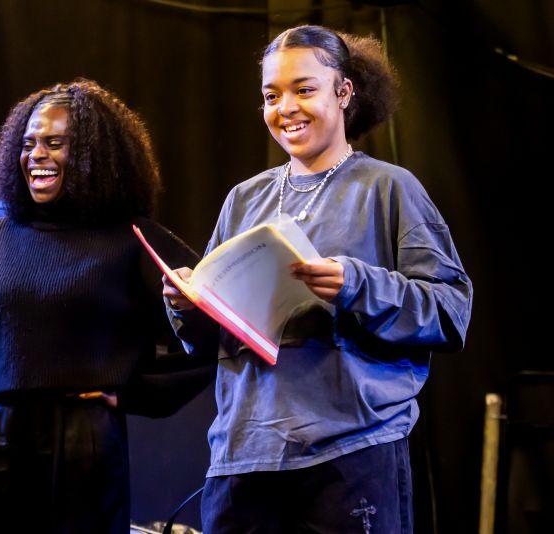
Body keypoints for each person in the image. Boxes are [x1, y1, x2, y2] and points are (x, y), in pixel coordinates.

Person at [163, 25, 473, 533]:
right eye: (271, 95)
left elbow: (450, 309)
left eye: (304, 89)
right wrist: (187, 304)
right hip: (245, 457)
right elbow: (212, 341)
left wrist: (357, 284)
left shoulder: (388, 188)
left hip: (351, 452)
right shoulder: (244, 199)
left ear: (344, 92)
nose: (285, 107)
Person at [0, 80, 204, 534]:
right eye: (29, 143)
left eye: (55, 143)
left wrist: (137, 393)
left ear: (94, 154)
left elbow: (215, 333)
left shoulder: (131, 238)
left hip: (84, 448)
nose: (37, 155)